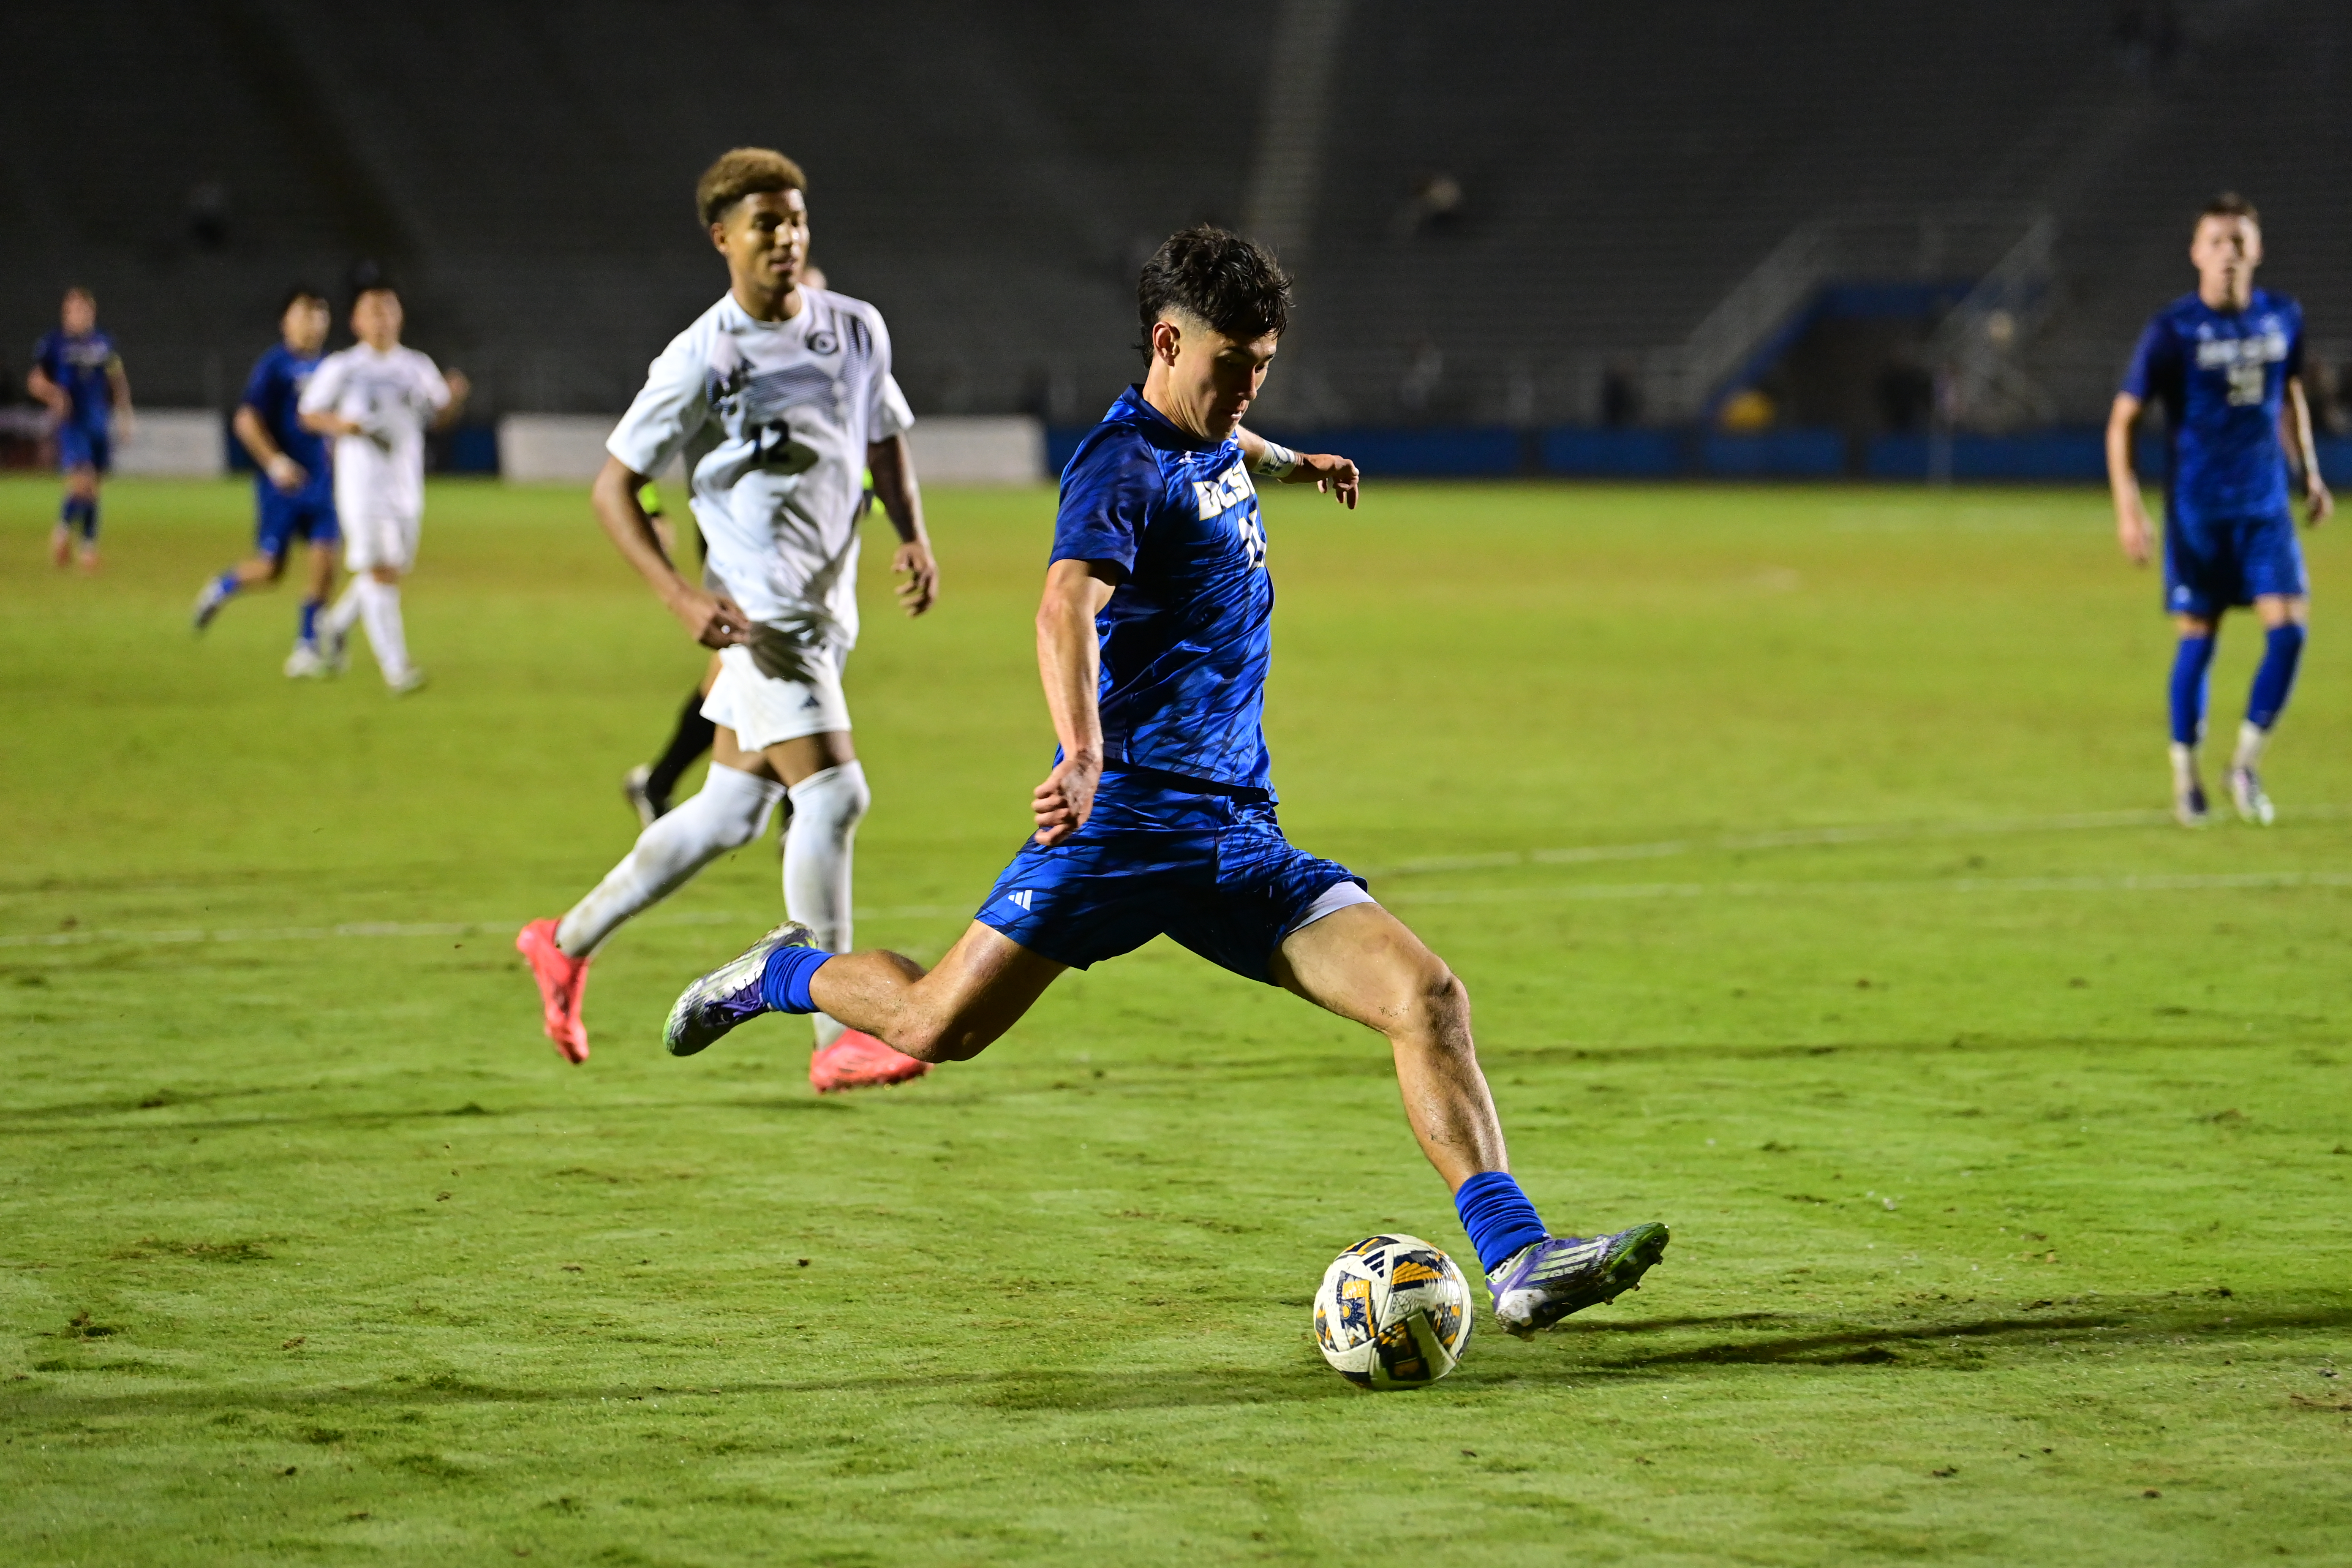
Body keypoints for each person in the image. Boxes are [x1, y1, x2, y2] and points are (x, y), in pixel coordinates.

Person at [661, 225, 1671, 1337]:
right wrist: (1082, 753)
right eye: (1230, 366)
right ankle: (783, 971)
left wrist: (1300, 462)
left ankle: (1519, 1259)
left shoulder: (1216, 435)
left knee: (1427, 996)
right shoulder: (1120, 463)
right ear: (1166, 343)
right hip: (1126, 821)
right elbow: (1063, 605)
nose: (1246, 390)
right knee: (935, 1025)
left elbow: (1234, 450)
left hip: (1237, 831)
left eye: (1263, 367)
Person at [515, 148, 942, 1096]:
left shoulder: (854, 328)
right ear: (723, 239)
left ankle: (562, 941)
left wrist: (912, 534)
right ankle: (835, 1031)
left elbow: (882, 438)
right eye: (765, 225)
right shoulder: (701, 356)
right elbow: (613, 487)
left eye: (795, 220)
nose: (786, 238)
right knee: (832, 796)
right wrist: (679, 595)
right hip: (759, 616)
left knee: (728, 811)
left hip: (826, 611)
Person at [2107, 192, 2331, 827]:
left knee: (2289, 634)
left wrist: (2310, 472)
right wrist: (2129, 507)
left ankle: (2246, 764)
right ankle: (2187, 775)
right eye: (2216, 242)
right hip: (2198, 515)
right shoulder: (2173, 331)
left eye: (2239, 242)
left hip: (2265, 509)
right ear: (2196, 253)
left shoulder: (2283, 318)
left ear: (2257, 251)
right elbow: (2123, 419)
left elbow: (2290, 393)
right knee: (2199, 641)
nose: (2228, 254)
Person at [621, 263, 858, 829]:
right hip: (744, 552)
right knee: (776, 675)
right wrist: (653, 510)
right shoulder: (722, 357)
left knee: (740, 682)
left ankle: (664, 785)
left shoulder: (830, 372)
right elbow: (635, 454)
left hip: (810, 559)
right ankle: (798, 813)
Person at [298, 283, 470, 694]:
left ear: (400, 318)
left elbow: (438, 418)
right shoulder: (345, 367)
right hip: (362, 487)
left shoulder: (417, 366)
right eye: (373, 312)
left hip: (406, 487)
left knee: (389, 570)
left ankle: (334, 626)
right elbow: (309, 414)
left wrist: (454, 400)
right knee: (380, 572)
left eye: (388, 311)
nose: (382, 320)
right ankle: (397, 669)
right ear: (357, 321)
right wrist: (344, 426)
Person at [192, 287, 342, 674]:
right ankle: (222, 588)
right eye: (305, 314)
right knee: (271, 569)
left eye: (320, 315)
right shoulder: (275, 365)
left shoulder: (333, 367)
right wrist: (275, 463)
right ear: (285, 322)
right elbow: (246, 420)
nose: (313, 323)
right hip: (282, 486)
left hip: (322, 484)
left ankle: (307, 647)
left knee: (326, 564)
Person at [28, 287, 132, 572]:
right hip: (73, 423)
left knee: (93, 489)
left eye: (84, 310)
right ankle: (62, 532)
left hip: (98, 422)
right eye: (74, 310)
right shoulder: (54, 343)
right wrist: (55, 395)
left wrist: (125, 415)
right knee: (83, 482)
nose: (79, 315)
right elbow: (35, 381)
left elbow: (117, 380)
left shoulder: (104, 343)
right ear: (66, 313)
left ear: (92, 313)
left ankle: (88, 550)